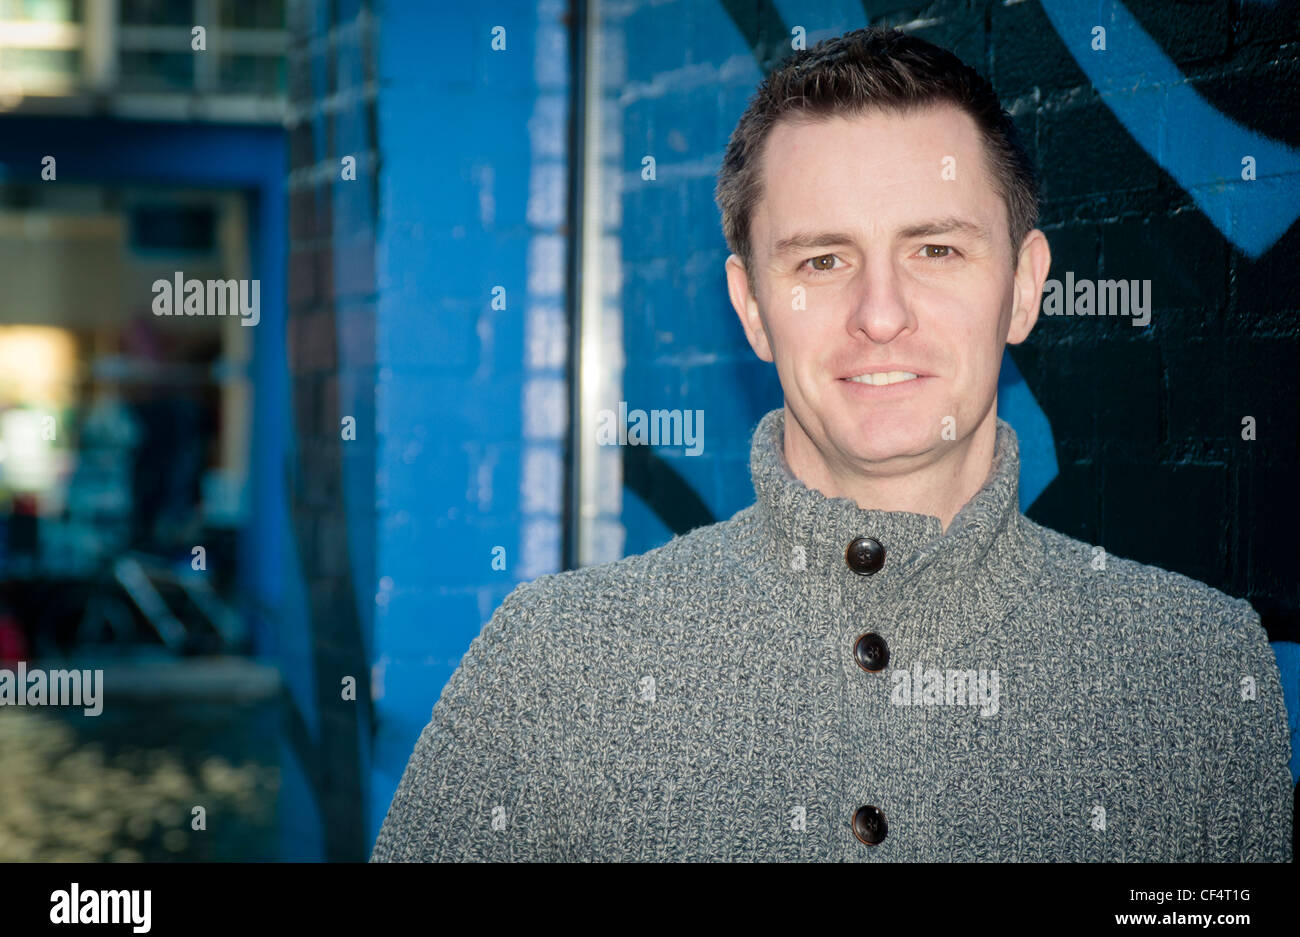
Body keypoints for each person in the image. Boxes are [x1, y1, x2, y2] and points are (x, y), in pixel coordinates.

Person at [370, 26, 1292, 862]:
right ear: (752, 307)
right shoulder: (549, 670)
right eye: (822, 260)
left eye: (936, 250)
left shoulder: (1198, 680)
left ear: (1023, 287)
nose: (880, 314)